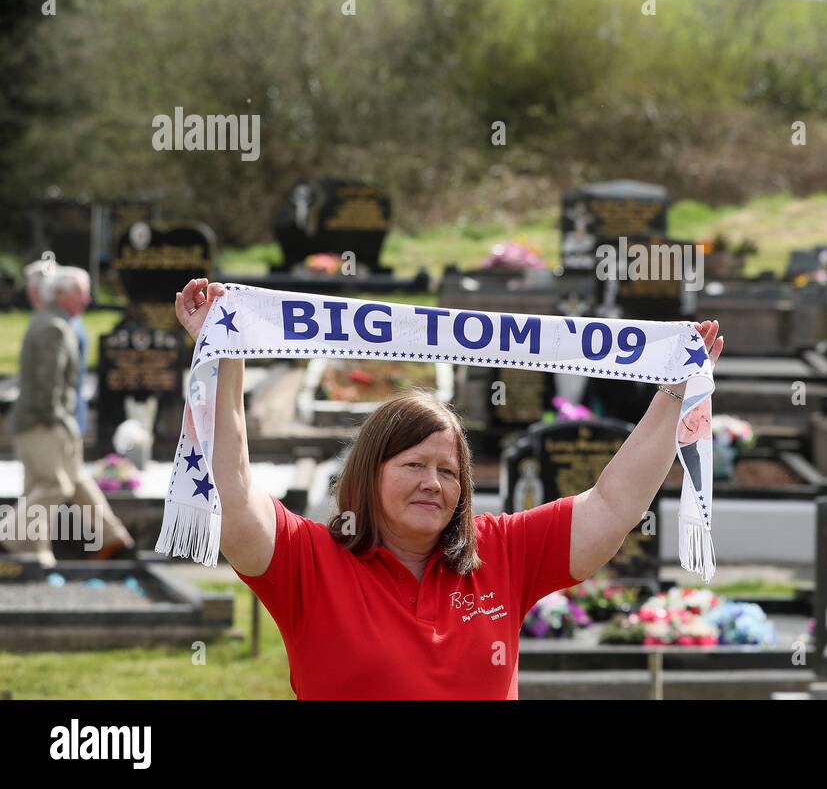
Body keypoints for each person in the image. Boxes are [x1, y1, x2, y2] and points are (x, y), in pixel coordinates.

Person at [174, 277, 724, 699]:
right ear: (370, 473)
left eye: (449, 470)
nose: (433, 484)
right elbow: (234, 491)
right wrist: (225, 353)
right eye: (414, 465)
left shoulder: (502, 552)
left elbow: (611, 504)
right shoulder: (309, 560)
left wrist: (676, 392)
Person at [7, 266, 135, 565]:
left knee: (70, 481)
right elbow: (46, 385)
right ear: (60, 293)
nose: (88, 299)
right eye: (80, 292)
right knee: (53, 485)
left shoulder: (59, 321)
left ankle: (110, 539)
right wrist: (62, 422)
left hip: (55, 421)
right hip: (46, 423)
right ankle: (14, 541)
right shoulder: (53, 326)